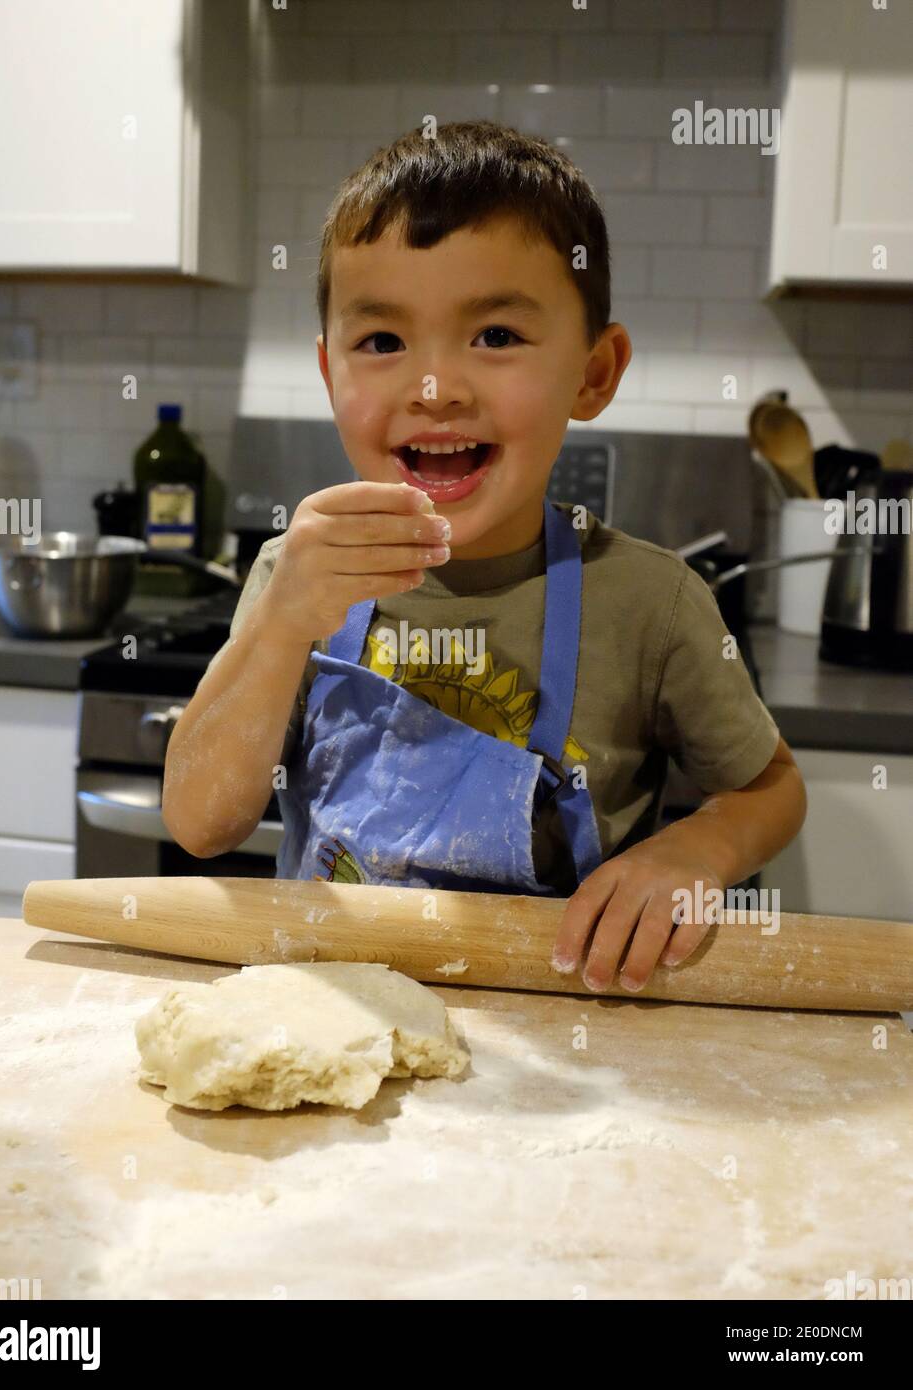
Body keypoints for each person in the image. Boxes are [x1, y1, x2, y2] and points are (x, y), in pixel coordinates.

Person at [162, 121, 806, 993]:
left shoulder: (653, 604)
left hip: (562, 1049)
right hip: (332, 1030)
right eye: (382, 342)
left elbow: (769, 789)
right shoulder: (295, 577)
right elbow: (201, 823)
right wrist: (280, 627)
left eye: (496, 335)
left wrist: (694, 851)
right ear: (329, 373)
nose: (436, 389)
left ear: (594, 372)